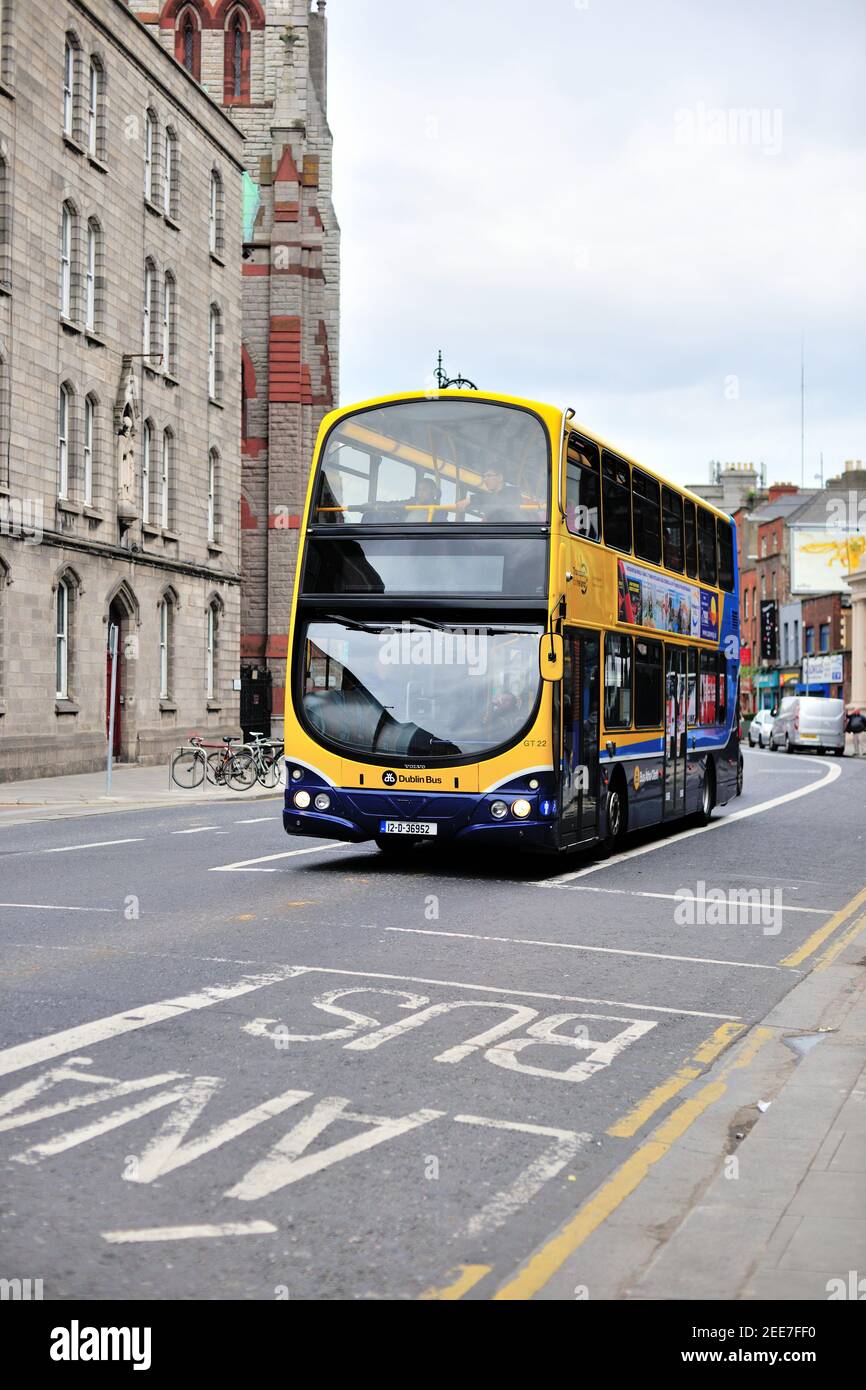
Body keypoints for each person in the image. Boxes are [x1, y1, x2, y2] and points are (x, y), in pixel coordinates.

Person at [455, 468, 525, 523]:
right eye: (484, 476)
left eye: (489, 475)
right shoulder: (488, 499)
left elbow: (501, 501)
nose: (485, 479)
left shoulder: (513, 492)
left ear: (500, 477)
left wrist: (471, 499)